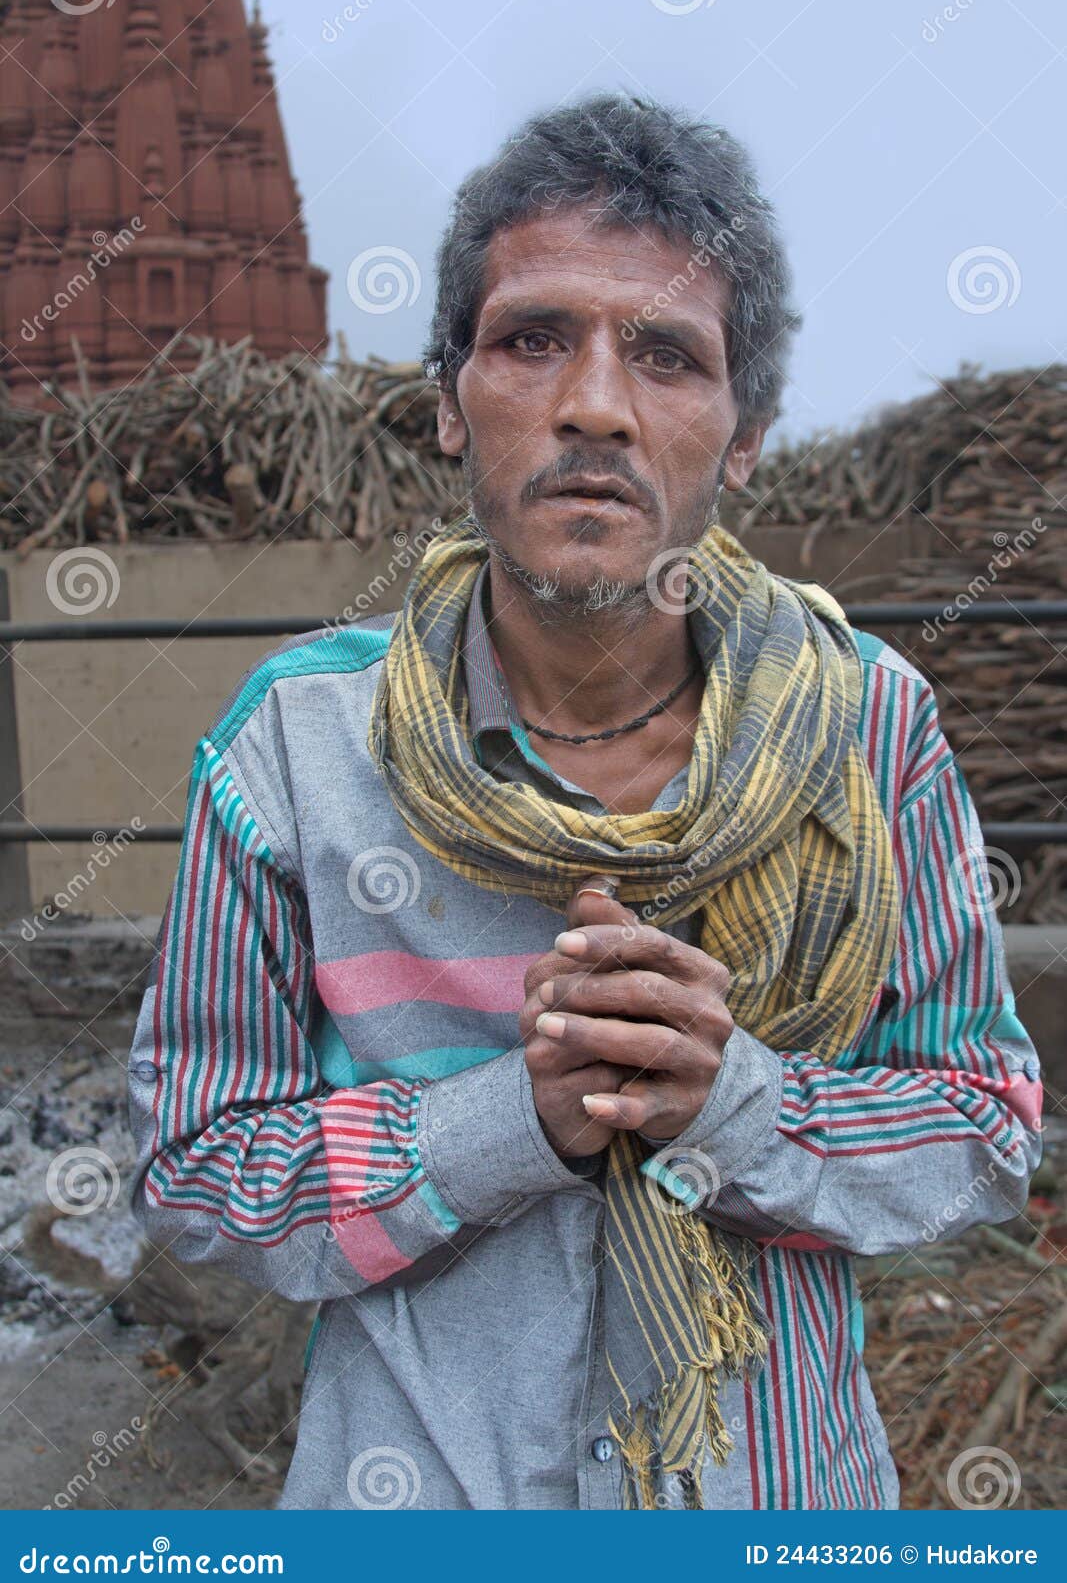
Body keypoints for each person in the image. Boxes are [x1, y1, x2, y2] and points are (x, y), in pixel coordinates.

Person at [126, 92, 1042, 1510]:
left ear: (744, 436)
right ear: (448, 399)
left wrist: (733, 1101)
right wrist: (510, 1122)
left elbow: (983, 1124)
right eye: (534, 338)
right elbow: (192, 1168)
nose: (596, 403)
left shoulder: (867, 725)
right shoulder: (298, 751)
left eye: (668, 355)